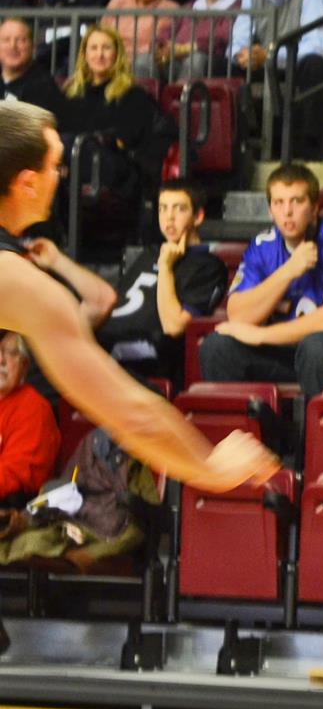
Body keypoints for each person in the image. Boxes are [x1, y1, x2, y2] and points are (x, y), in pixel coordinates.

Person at [0, 101, 277, 658]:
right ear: (26, 182)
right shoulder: (15, 279)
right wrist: (206, 465)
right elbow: (122, 405)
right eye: (55, 166)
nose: (63, 175)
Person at [201, 163, 323, 400]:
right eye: (279, 202)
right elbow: (239, 315)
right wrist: (287, 272)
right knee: (217, 347)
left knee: (316, 347)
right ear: (270, 211)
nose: (287, 211)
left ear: (315, 208)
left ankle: (322, 425)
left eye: (297, 201)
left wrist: (261, 335)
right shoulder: (262, 246)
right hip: (293, 351)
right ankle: (247, 423)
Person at [93, 179, 229, 385]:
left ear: (198, 216)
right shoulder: (148, 254)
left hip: (149, 352)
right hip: (107, 338)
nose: (169, 217)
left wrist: (166, 267)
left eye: (179, 209)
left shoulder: (208, 266)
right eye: (163, 208)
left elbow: (173, 327)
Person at [231, 0, 323, 160]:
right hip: (262, 64)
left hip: (295, 65)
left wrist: (270, 56)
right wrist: (243, 55)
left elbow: (317, 46)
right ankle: (235, 146)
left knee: (315, 65)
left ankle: (309, 147)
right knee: (220, 66)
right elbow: (237, 40)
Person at [59, 26, 170, 211]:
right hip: (74, 161)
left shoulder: (132, 93)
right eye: (94, 48)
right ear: (84, 54)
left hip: (117, 167)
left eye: (106, 48)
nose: (99, 54)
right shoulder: (70, 92)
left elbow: (128, 139)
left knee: (71, 142)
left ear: (117, 54)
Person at [101, 0, 181, 81]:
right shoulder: (118, 1)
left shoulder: (171, 8)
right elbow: (103, 35)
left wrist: (125, 56)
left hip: (150, 63)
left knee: (142, 61)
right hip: (114, 59)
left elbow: (159, 47)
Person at [0, 331, 57, 509]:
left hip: (15, 509)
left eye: (11, 352)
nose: (1, 360)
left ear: (24, 365)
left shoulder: (33, 408)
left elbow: (15, 478)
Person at [0, 20, 62, 109]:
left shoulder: (44, 89)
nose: (12, 46)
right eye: (6, 40)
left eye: (21, 40)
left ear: (33, 47)